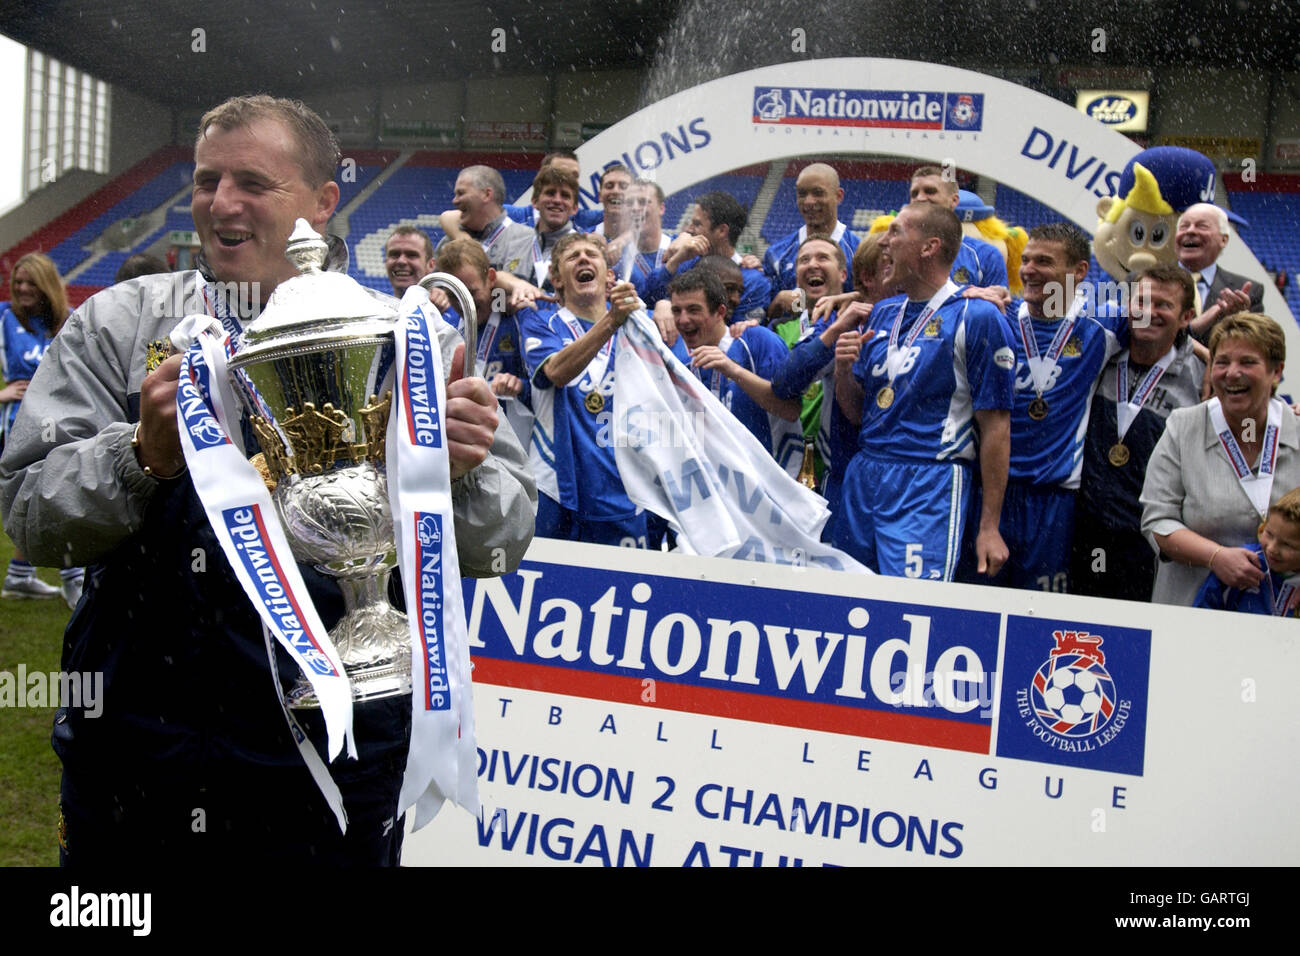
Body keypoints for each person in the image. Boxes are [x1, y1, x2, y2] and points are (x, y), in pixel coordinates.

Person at [0, 95, 536, 866]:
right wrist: (139, 457)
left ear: (323, 202)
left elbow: (501, 543)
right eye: (206, 179)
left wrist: (461, 473)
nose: (221, 203)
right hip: (137, 752)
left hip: (334, 759)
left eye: (253, 181)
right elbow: (29, 516)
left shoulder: (406, 339)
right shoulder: (118, 328)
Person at [833, 202, 1014, 580]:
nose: (884, 241)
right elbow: (857, 414)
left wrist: (988, 526)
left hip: (929, 481)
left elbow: (996, 427)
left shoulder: (977, 316)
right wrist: (843, 368)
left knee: (910, 612)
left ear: (929, 247)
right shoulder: (882, 313)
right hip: (865, 473)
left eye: (896, 232)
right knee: (846, 604)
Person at [975, 223, 1124, 592]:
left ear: (1079, 272)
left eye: (1044, 261)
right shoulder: (997, 317)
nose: (1029, 270)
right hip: (991, 493)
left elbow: (1171, 330)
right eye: (1026, 260)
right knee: (977, 605)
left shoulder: (1102, 324)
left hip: (1055, 501)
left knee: (1041, 614)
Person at [1141, 312, 1300, 606]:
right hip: (1193, 610)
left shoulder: (1296, 432)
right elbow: (1157, 519)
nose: (1231, 373)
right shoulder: (1183, 427)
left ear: (1276, 372)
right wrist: (1215, 557)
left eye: (1248, 362)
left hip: (1284, 619)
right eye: (1222, 362)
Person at [1071, 266, 1205, 602]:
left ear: (1186, 316)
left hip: (1146, 540)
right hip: (1083, 531)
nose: (1149, 312)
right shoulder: (1100, 352)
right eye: (1142, 300)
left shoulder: (1202, 378)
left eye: (1163, 305)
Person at [517, 232, 646, 545]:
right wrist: (611, 321)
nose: (584, 259)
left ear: (609, 274)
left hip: (624, 490)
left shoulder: (642, 327)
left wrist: (664, 306)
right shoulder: (541, 323)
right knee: (546, 587)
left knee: (624, 589)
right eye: (573, 257)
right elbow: (557, 371)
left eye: (592, 254)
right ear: (557, 279)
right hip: (556, 487)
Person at [772, 234, 886, 536]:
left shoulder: (934, 319)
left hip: (908, 476)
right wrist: (836, 327)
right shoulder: (824, 324)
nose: (812, 265)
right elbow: (784, 384)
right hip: (834, 473)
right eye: (804, 259)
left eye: (822, 257)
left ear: (845, 275)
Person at [0, 253, 83, 608]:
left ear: (46, 284)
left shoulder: (72, 321)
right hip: (18, 425)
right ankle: (70, 577)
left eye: (30, 282)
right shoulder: (4, 318)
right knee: (44, 497)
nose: (22, 289)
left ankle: (22, 576)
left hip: (62, 421)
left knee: (49, 496)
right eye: (18, 282)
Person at [669, 268, 803, 474]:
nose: (683, 320)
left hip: (772, 485)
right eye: (676, 311)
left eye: (694, 310)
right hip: (724, 490)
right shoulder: (685, 364)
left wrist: (733, 370)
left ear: (720, 312)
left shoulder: (757, 340)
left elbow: (790, 410)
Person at [433, 237, 533, 449]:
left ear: (491, 278)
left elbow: (549, 392)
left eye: (471, 293)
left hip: (518, 446)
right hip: (465, 446)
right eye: (454, 295)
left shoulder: (517, 315)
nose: (464, 303)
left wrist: (521, 387)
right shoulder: (446, 324)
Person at [644, 191, 770, 321]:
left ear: (722, 231)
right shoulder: (686, 262)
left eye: (697, 224)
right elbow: (648, 298)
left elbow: (736, 333)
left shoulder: (754, 282)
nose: (689, 229)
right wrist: (675, 261)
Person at [762, 162, 861, 315]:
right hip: (790, 339)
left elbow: (874, 302)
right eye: (802, 194)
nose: (809, 201)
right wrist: (780, 300)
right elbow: (764, 314)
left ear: (839, 196)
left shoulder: (858, 252)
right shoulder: (776, 254)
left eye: (818, 193)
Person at [1195, 486, 1300, 615]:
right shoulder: (1242, 565)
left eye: (1287, 545)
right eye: (1269, 534)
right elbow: (1203, 611)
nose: (1272, 548)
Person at [907, 165, 1008, 289]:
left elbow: (1000, 305)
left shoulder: (986, 255)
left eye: (930, 191)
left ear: (954, 200)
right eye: (914, 193)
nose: (920, 198)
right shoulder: (892, 249)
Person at [1177, 202, 1265, 345]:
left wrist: (1240, 321)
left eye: (1202, 226)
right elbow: (1136, 336)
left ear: (1223, 239)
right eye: (1184, 226)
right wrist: (1194, 329)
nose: (1190, 231)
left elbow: (1254, 348)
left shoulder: (1247, 292)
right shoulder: (1141, 281)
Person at [440, 164, 534, 275]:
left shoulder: (523, 238)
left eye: (461, 193)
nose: (454, 201)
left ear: (486, 194)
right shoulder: (450, 240)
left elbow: (508, 290)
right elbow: (435, 285)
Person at [383, 224, 434, 296]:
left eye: (411, 255)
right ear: (386, 261)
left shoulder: (450, 305)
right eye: (394, 254)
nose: (401, 261)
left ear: (430, 265)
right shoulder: (372, 305)